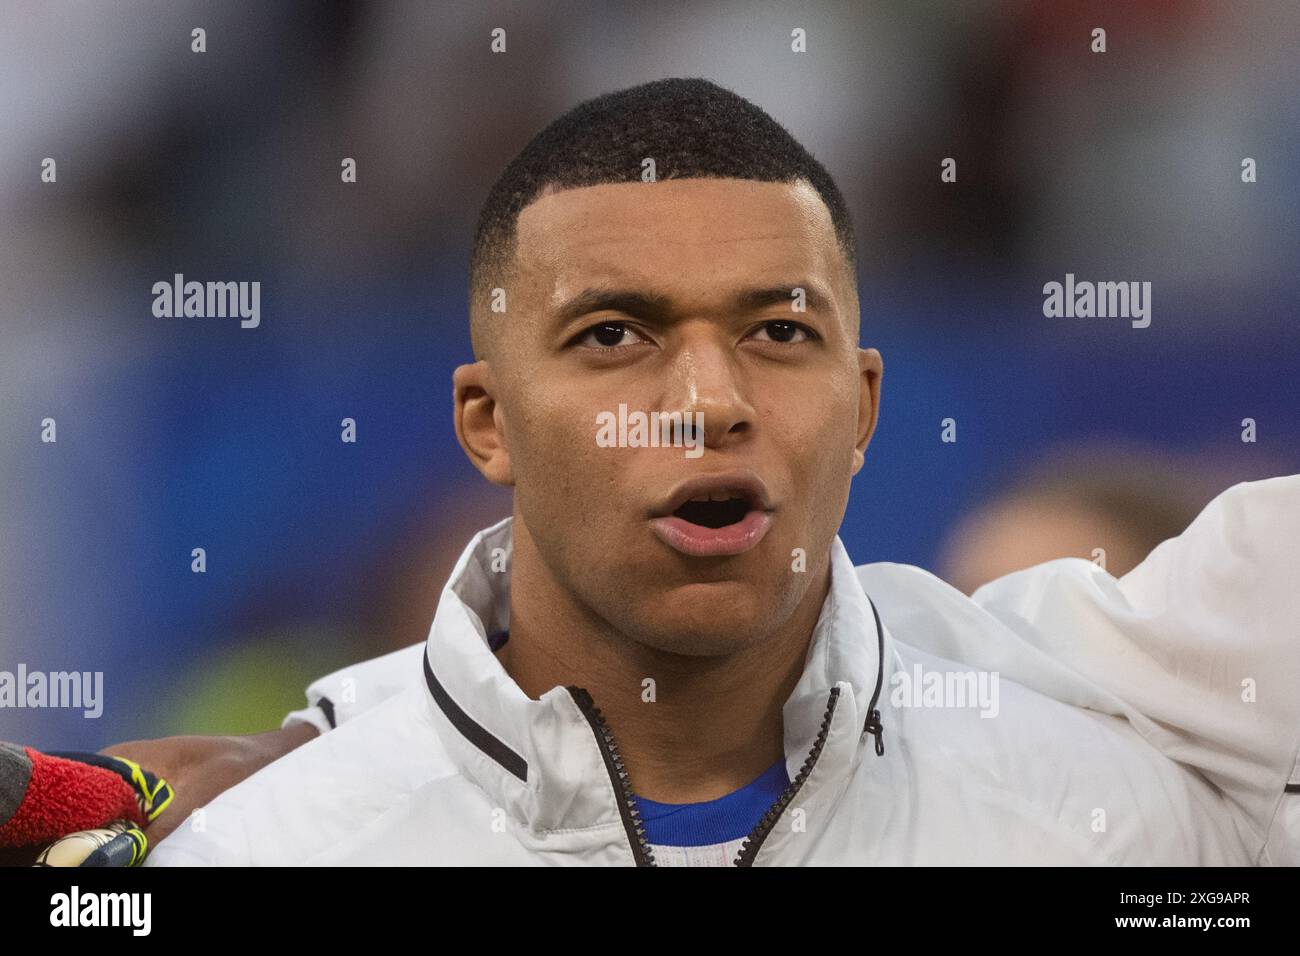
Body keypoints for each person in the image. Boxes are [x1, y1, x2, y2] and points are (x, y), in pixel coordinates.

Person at [122, 78, 1300, 865]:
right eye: (613, 337)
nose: (709, 404)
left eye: (780, 333)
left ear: (865, 407)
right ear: (486, 422)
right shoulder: (264, 850)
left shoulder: (1126, 833)